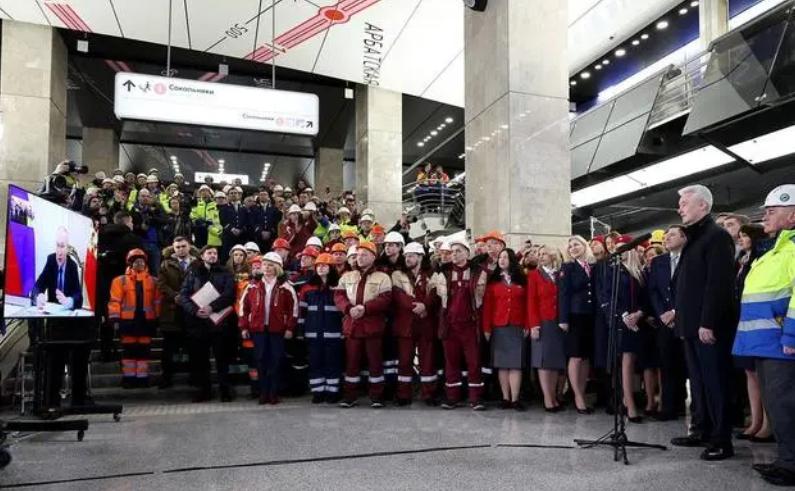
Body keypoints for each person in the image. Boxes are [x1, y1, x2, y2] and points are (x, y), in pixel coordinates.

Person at [733, 185, 795, 486]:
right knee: (776, 404)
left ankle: (791, 464)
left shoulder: (791, 250)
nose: (765, 216)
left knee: (785, 404)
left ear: (792, 216)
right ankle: (786, 459)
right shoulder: (774, 251)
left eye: (772, 211)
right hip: (763, 343)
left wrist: (791, 336)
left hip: (781, 343)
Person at [671, 184, 737, 461]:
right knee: (698, 383)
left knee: (715, 383)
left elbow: (718, 284)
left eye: (685, 203)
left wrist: (707, 322)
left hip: (708, 326)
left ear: (703, 206)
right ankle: (702, 430)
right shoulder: (695, 238)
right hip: (690, 325)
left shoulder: (716, 236)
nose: (680, 209)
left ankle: (721, 440)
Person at [596, 235, 647, 423]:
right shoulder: (613, 271)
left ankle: (630, 398)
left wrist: (639, 313)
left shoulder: (639, 272)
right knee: (626, 361)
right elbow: (608, 296)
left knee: (634, 362)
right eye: (618, 248)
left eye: (624, 247)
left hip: (638, 321)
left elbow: (646, 298)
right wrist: (624, 315)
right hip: (621, 321)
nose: (620, 251)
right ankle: (629, 403)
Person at [335, 240, 392, 408]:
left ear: (373, 257)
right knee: (351, 362)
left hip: (373, 326)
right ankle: (350, 396)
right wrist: (348, 308)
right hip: (352, 326)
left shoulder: (383, 277)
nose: (360, 258)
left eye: (364, 255)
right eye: (358, 255)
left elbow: (385, 299)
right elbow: (339, 296)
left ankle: (377, 396)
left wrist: (365, 308)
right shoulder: (347, 276)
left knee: (375, 362)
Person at [178, 245, 236, 403]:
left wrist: (212, 307)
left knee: (222, 359)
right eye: (209, 253)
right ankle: (204, 391)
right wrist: (194, 310)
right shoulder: (193, 272)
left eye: (215, 253)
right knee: (200, 361)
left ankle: (225, 391)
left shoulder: (225, 272)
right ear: (202, 256)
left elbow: (229, 294)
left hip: (219, 322)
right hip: (198, 323)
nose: (213, 255)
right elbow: (183, 295)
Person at [238, 253, 298, 405]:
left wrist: (290, 328)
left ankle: (273, 393)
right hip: (258, 329)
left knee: (276, 361)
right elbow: (243, 307)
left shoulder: (286, 286)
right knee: (260, 360)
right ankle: (263, 392)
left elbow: (294, 309)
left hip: (277, 330)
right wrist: (244, 326)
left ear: (278, 267)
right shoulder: (252, 285)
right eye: (265, 264)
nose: (267, 268)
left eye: (271, 265)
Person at [733, 223, 773, 442]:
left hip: (758, 324)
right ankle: (756, 420)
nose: (741, 239)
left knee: (761, 375)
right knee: (749, 373)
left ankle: (768, 423)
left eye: (745, 235)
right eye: (740, 236)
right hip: (744, 323)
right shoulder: (742, 261)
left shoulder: (762, 259)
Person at [436, 239, 487, 411]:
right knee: (451, 362)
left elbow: (481, 298)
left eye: (458, 250)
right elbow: (439, 298)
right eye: (452, 251)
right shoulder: (444, 272)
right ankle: (452, 397)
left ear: (467, 253)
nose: (454, 254)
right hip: (450, 325)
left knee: (474, 362)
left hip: (470, 325)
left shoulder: (478, 271)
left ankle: (476, 398)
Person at [646, 225, 688, 421]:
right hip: (664, 321)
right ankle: (669, 407)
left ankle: (693, 406)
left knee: (688, 364)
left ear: (684, 238)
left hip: (686, 319)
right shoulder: (658, 261)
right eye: (666, 235)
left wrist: (676, 312)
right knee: (667, 364)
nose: (667, 238)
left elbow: (693, 289)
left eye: (672, 235)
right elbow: (653, 290)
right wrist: (663, 313)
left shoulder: (691, 258)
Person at [482, 248, 528, 411]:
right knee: (502, 365)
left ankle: (515, 399)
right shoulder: (493, 282)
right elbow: (488, 308)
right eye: (500, 257)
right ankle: (505, 398)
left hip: (517, 326)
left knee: (515, 364)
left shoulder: (522, 281)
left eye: (506, 257)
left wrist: (527, 324)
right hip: (499, 327)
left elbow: (527, 305)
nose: (502, 260)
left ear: (512, 260)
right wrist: (486, 328)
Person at [108, 249, 161, 388]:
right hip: (127, 321)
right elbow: (115, 301)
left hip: (146, 321)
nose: (140, 264)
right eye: (136, 261)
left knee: (144, 351)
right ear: (130, 263)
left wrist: (158, 318)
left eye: (142, 261)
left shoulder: (154, 281)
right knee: (129, 351)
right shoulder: (119, 281)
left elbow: (157, 301)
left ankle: (142, 378)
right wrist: (115, 319)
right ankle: (129, 378)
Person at [558, 235, 596, 414]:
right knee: (576, 356)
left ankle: (582, 392)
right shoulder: (568, 267)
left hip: (590, 315)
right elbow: (563, 294)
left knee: (586, 356)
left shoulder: (592, 266)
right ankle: (577, 397)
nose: (573, 248)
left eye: (576, 244)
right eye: (570, 246)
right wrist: (563, 319)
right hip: (575, 315)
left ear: (584, 246)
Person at [298, 253, 343, 403]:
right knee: (315, 362)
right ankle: (318, 392)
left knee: (333, 363)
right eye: (318, 265)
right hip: (313, 333)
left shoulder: (339, 286)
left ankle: (332, 392)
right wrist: (300, 330)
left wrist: (344, 331)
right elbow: (302, 311)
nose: (321, 268)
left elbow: (343, 313)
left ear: (331, 268)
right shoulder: (307, 288)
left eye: (324, 265)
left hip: (334, 334)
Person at [527, 245, 567, 412]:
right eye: (539, 254)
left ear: (553, 256)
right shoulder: (534, 275)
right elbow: (531, 301)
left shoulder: (560, 274)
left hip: (558, 322)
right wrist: (534, 325)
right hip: (543, 322)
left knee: (555, 362)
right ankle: (548, 399)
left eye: (544, 254)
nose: (541, 256)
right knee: (543, 362)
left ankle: (554, 396)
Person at [157, 236, 196, 389]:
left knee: (193, 348)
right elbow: (162, 284)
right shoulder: (165, 264)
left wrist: (190, 299)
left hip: (192, 310)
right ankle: (166, 377)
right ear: (173, 248)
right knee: (168, 349)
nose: (180, 249)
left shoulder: (197, 263)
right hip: (172, 311)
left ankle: (194, 377)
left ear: (189, 246)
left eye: (183, 246)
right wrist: (175, 296)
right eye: (177, 247)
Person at [31, 226, 83, 311]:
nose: (59, 252)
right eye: (57, 245)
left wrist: (69, 301)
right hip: (51, 313)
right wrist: (38, 296)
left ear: (67, 248)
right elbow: (38, 285)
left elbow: (79, 297)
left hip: (66, 313)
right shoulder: (51, 260)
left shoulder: (72, 266)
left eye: (62, 246)